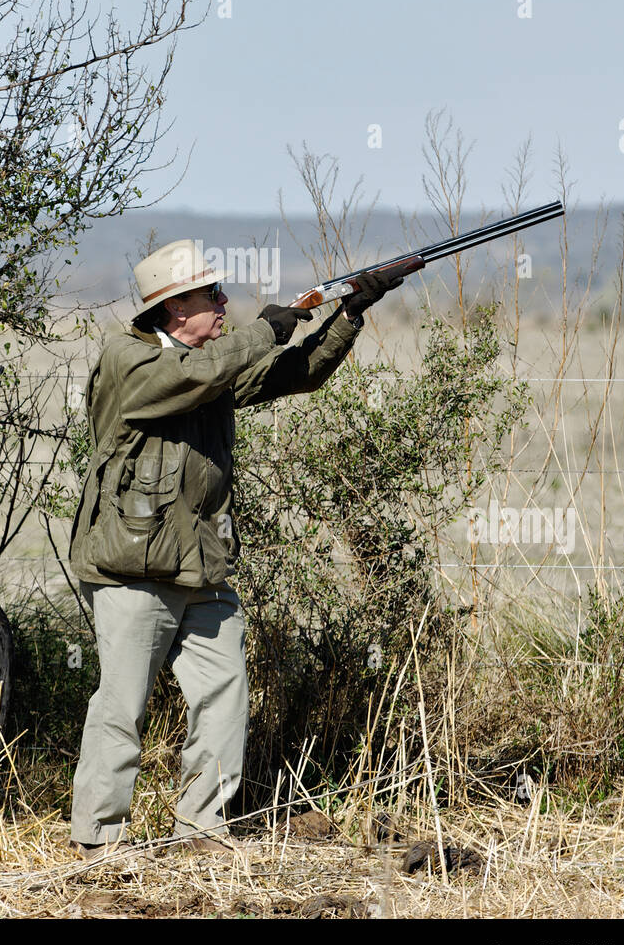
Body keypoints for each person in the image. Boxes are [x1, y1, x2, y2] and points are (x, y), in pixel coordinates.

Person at [68, 238, 407, 858]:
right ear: (174, 310)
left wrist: (350, 312)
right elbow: (198, 374)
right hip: (131, 570)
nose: (223, 301)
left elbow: (294, 373)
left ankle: (202, 833)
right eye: (210, 294)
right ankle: (99, 843)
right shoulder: (131, 360)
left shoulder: (210, 363)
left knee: (225, 698)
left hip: (202, 567)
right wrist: (268, 327)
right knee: (121, 708)